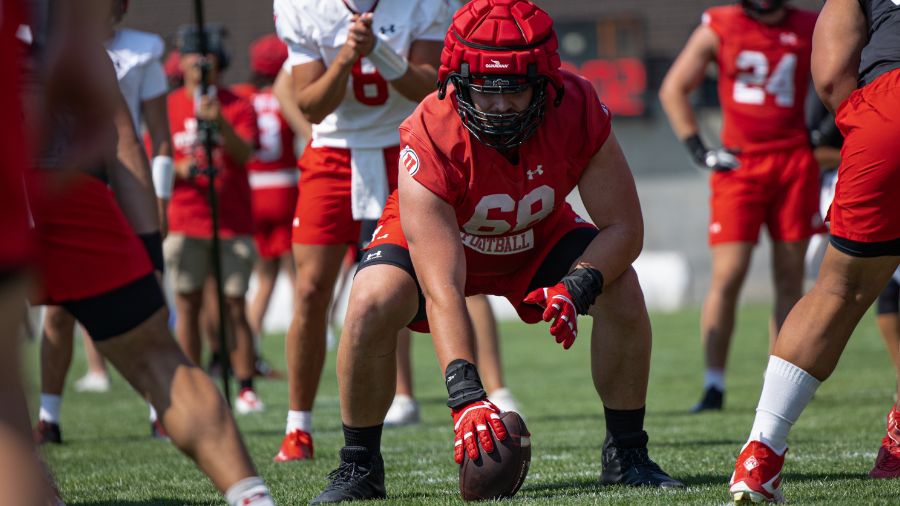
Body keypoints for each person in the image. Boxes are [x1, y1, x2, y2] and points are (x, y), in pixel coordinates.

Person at [309, 0, 684, 502]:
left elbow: (624, 228)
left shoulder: (576, 106)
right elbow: (444, 288)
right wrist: (466, 396)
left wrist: (580, 283)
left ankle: (627, 454)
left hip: (535, 232)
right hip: (447, 239)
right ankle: (358, 466)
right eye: (485, 91)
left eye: (515, 90)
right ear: (457, 83)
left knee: (620, 286)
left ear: (546, 83)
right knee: (371, 300)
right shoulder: (429, 128)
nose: (500, 106)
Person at [19, 1, 276, 504]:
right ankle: (251, 496)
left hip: (52, 184)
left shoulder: (130, 49)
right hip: (72, 187)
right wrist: (147, 248)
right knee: (162, 359)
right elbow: (122, 141)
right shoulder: (70, 28)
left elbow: (137, 141)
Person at [728, 0, 900, 501]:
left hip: (886, 111)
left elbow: (830, 78)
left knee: (837, 291)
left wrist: (875, 130)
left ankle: (761, 454)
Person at [271, 0, 455, 461]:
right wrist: (348, 56)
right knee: (312, 290)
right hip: (334, 151)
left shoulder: (423, 4)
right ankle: (298, 426)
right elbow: (310, 104)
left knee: (431, 281)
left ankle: (467, 405)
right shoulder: (302, 6)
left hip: (404, 144)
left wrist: (380, 52)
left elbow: (430, 86)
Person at [659, 0, 820, 412]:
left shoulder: (809, 23)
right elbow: (673, 87)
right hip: (741, 163)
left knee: (789, 277)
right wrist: (700, 150)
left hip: (794, 160)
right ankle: (714, 383)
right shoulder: (721, 24)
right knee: (728, 276)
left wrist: (828, 135)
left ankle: (779, 384)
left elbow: (840, 77)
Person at [34, 0, 173, 445]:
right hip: (76, 176)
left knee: (149, 305)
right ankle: (48, 416)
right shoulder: (50, 43)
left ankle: (162, 410)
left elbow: (157, 137)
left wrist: (160, 201)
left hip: (127, 177)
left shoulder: (143, 48)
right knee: (58, 310)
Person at [164, 26, 263, 414]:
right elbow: (153, 154)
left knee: (234, 303)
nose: (199, 65)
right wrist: (182, 168)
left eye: (206, 58)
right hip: (186, 219)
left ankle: (245, 385)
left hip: (232, 220)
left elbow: (243, 154)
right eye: (192, 57)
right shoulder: (169, 104)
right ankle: (194, 384)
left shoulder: (238, 102)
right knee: (186, 302)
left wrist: (218, 119)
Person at [232, 34, 300, 348]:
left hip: (251, 192)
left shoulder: (238, 96)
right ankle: (312, 332)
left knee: (264, 276)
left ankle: (252, 340)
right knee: (297, 270)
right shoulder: (289, 94)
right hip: (285, 188)